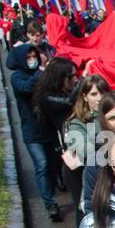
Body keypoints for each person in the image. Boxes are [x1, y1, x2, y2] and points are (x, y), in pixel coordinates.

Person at [9, 44, 62, 221]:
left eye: (34, 56)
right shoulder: (17, 77)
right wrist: (41, 72)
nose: (32, 60)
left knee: (53, 165)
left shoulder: (42, 74)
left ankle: (51, 189)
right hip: (32, 131)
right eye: (28, 57)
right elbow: (26, 88)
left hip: (49, 129)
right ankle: (50, 203)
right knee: (42, 165)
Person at [32, 58, 82, 209]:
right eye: (71, 77)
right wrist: (83, 81)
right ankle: (51, 203)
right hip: (69, 152)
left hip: (77, 147)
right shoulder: (47, 97)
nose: (75, 79)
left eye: (76, 75)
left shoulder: (68, 91)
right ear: (59, 78)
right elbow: (68, 102)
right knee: (81, 202)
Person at [60, 74, 112, 216]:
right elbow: (83, 150)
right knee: (85, 213)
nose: (99, 98)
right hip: (80, 174)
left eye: (103, 92)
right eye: (94, 94)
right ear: (85, 97)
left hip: (109, 172)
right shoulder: (77, 121)